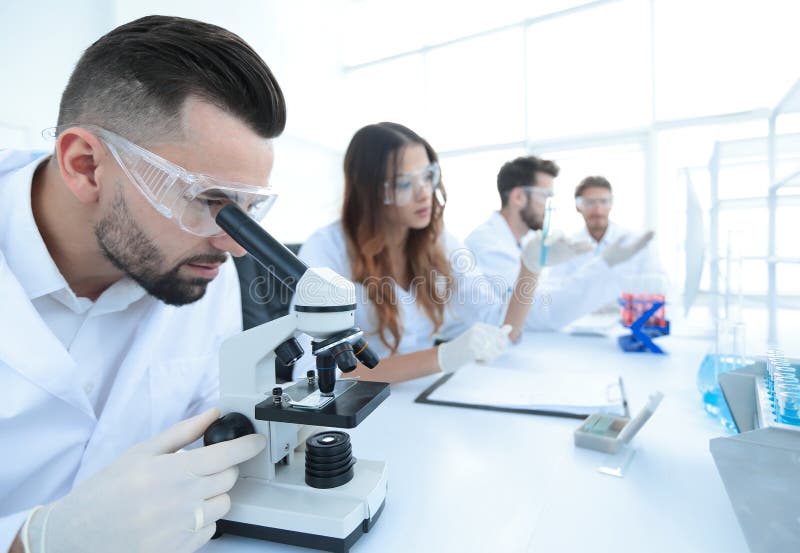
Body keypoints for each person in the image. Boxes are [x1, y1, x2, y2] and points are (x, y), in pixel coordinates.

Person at [1, 16, 287, 553]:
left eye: (250, 209)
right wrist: (34, 542)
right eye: (209, 201)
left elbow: (212, 431)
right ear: (86, 166)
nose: (237, 245)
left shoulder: (198, 265)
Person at [292, 123, 542, 383]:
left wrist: (531, 266)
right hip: (360, 410)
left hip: (423, 397)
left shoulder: (440, 242)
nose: (424, 192)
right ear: (369, 191)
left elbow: (502, 329)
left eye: (427, 176)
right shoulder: (326, 248)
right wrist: (441, 357)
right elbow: (312, 374)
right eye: (404, 183)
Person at [465, 157, 653, 331]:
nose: (549, 207)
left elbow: (546, 293)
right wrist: (603, 265)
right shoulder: (488, 245)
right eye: (545, 196)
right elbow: (537, 311)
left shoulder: (520, 242)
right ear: (518, 197)